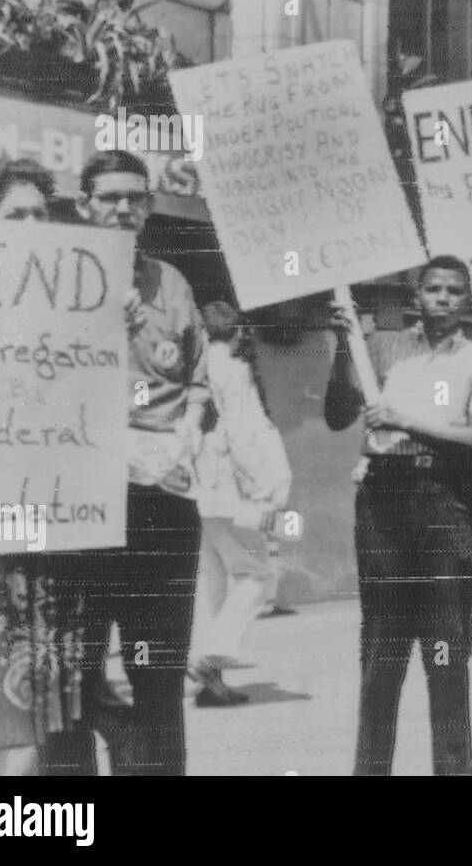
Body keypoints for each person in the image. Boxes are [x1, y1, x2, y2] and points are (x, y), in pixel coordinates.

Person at [326, 256, 472, 776]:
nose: (444, 299)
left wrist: (408, 420)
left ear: (467, 299)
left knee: (445, 653)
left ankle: (453, 769)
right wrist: (345, 346)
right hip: (383, 500)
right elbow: (339, 414)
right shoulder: (380, 349)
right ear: (417, 297)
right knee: (381, 654)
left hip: (443, 499)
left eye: (455, 290)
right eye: (434, 289)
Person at [0, 157, 88, 776]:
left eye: (40, 214)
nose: (32, 225)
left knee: (27, 721)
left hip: (35, 554)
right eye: (14, 215)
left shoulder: (72, 309)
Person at [77, 150, 210, 775]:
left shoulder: (173, 281)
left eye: (135, 197)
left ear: (150, 206)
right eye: (109, 197)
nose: (124, 208)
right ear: (84, 206)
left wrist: (187, 436)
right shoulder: (61, 277)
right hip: (80, 501)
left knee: (158, 673)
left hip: (161, 499)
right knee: (72, 675)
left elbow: (199, 379)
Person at [188, 301, 289, 708]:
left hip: (200, 486)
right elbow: (244, 433)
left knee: (210, 581)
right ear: (237, 332)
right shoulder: (234, 369)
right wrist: (266, 490)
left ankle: (210, 680)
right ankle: (211, 653)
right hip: (232, 486)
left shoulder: (192, 368)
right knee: (257, 573)